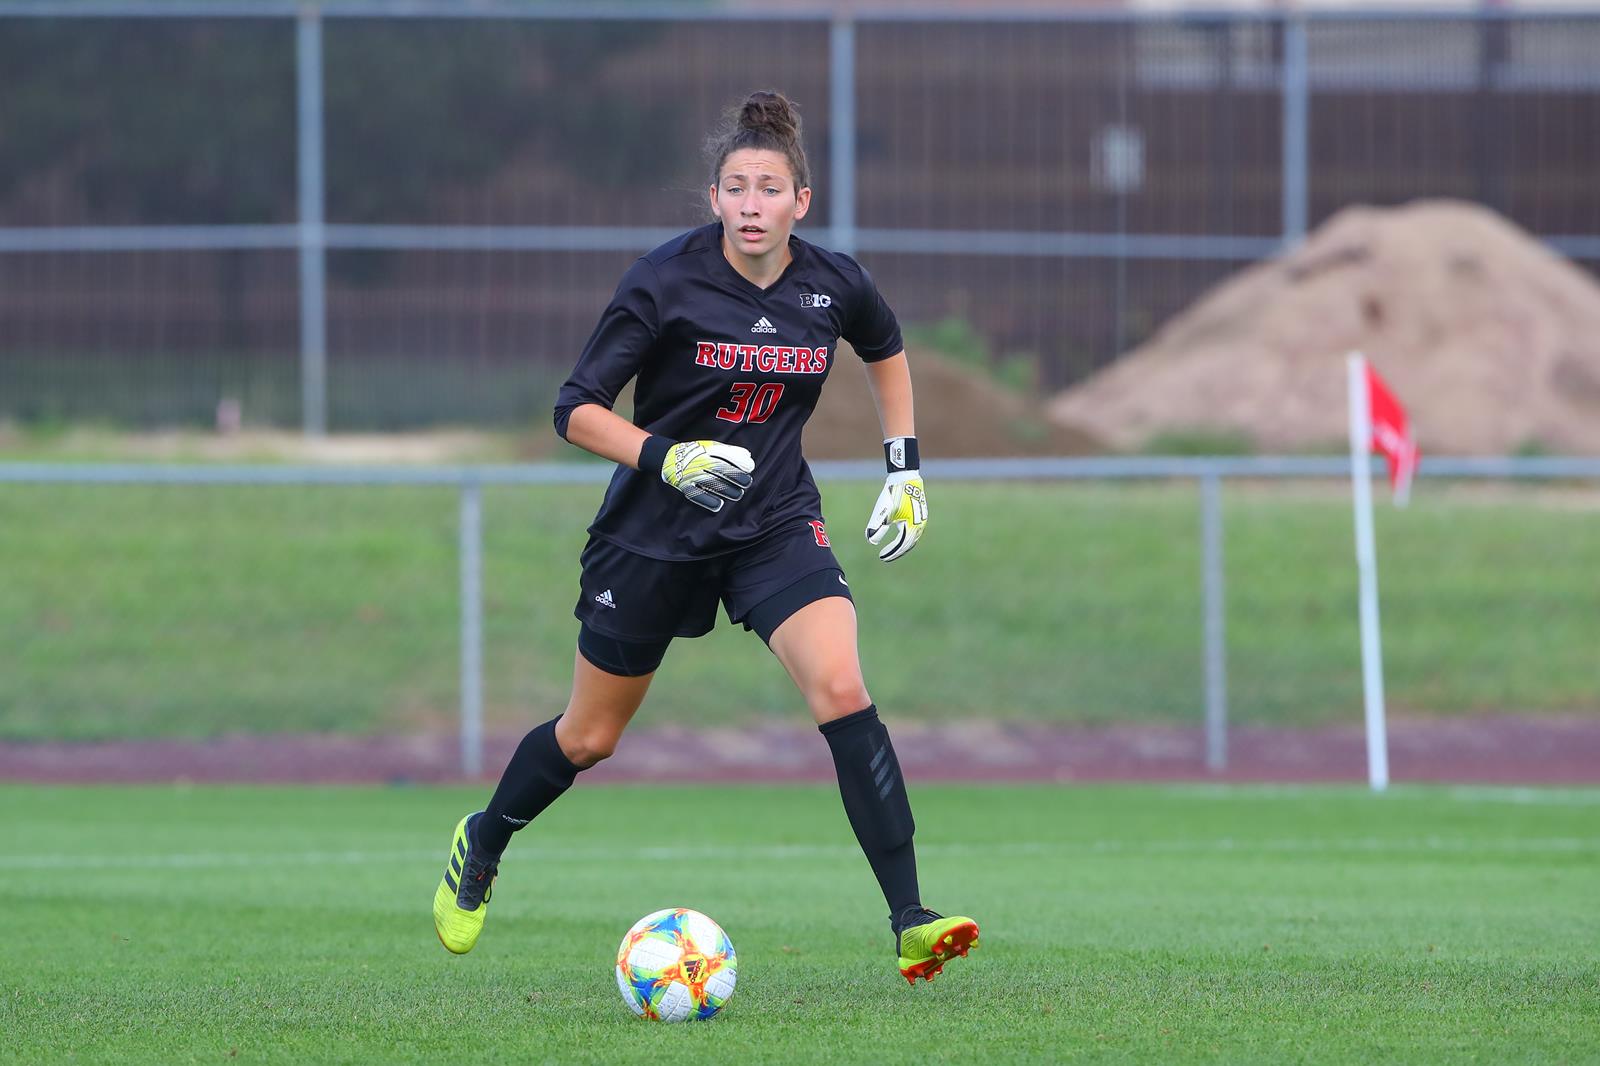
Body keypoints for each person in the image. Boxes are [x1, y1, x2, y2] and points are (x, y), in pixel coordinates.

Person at [432, 90, 978, 984]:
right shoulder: (665, 279)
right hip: (652, 536)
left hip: (772, 525)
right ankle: (484, 840)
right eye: (736, 187)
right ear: (715, 200)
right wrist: (666, 457)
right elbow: (574, 411)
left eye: (770, 187)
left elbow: (884, 348)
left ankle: (911, 917)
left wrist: (905, 466)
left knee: (841, 685)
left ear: (803, 199)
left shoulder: (834, 284)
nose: (752, 203)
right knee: (590, 738)